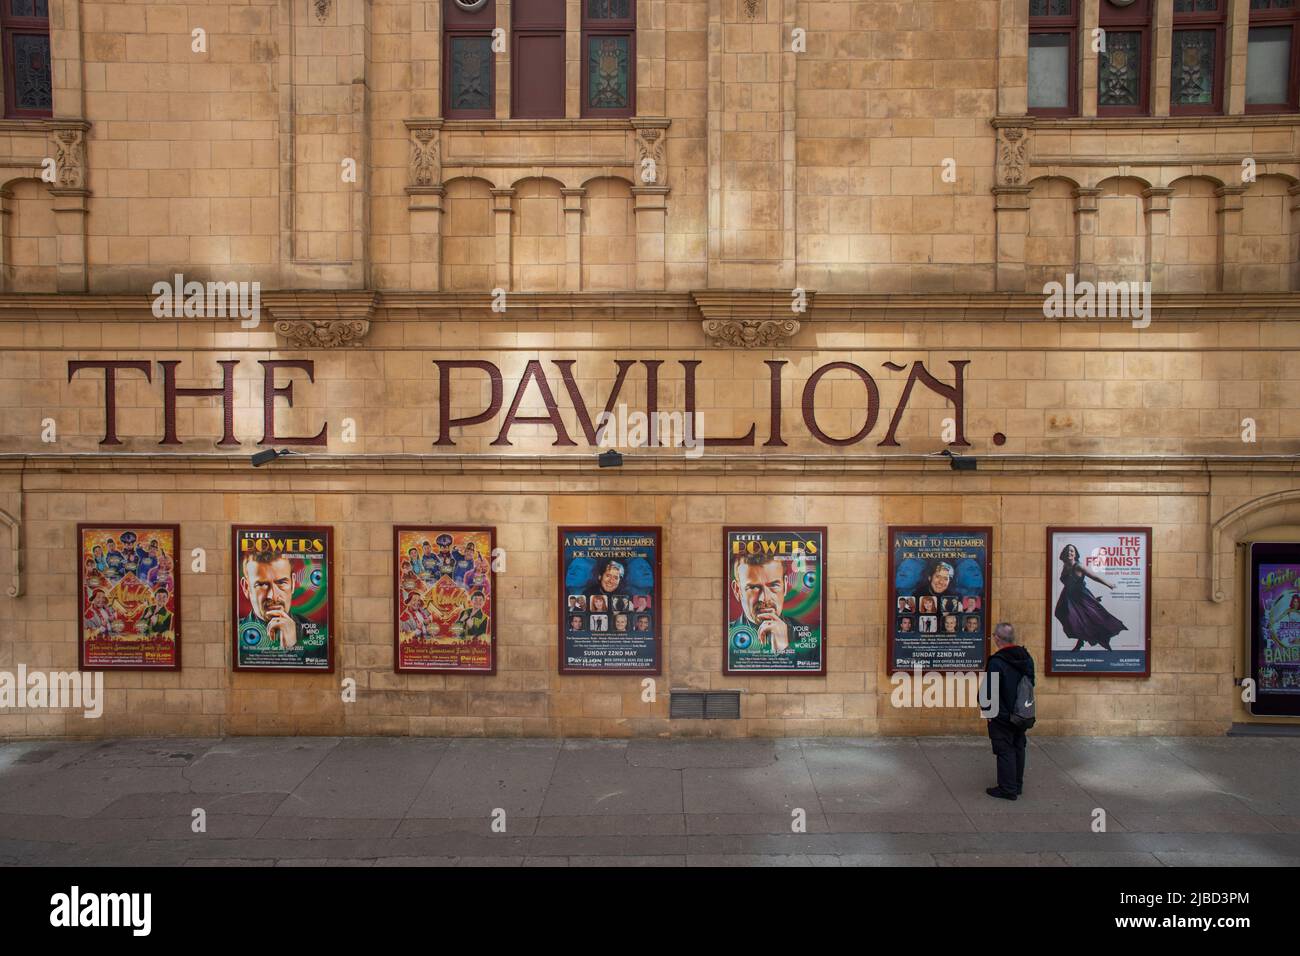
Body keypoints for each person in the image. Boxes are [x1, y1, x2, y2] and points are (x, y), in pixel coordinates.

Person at [984, 621, 1035, 800]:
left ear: (997, 639)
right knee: (1018, 746)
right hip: (1022, 712)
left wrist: (989, 713)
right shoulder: (1026, 658)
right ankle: (1017, 784)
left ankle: (1007, 789)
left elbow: (988, 692)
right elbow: (1030, 684)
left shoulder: (997, 662)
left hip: (1002, 714)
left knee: (1004, 749)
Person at [1054, 543, 1126, 651]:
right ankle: (1081, 640)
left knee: (1090, 619)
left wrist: (1108, 584)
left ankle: (1101, 640)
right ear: (1064, 553)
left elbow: (1094, 576)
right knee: (1062, 614)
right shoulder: (1065, 565)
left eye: (1072, 551)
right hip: (1068, 596)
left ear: (1075, 554)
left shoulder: (1078, 566)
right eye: (1067, 551)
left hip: (1080, 596)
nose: (1069, 552)